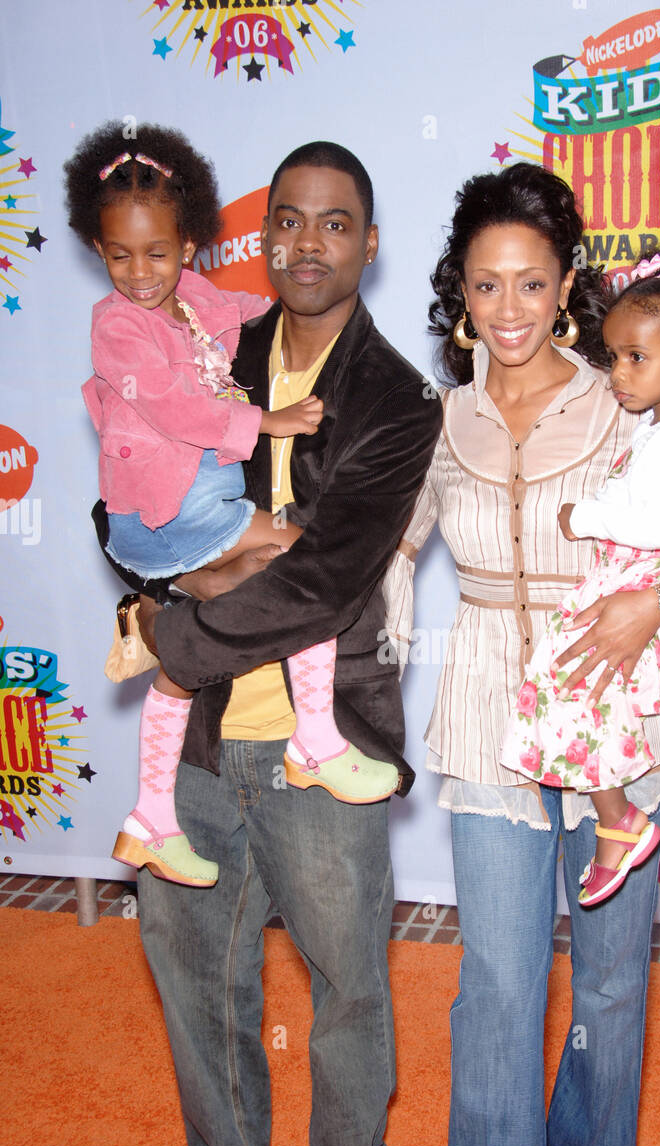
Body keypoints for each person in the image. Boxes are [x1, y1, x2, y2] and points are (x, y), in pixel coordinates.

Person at [383, 163, 660, 1146]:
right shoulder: (440, 417)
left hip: (621, 721)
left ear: (565, 289)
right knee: (498, 996)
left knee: (605, 986)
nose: (506, 310)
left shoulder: (628, 396)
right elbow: (382, 549)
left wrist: (656, 599)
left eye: (529, 285)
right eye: (483, 286)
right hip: (494, 731)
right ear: (458, 294)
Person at [91, 141, 442, 1146]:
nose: (305, 242)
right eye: (287, 220)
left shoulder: (393, 397)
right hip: (195, 743)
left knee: (346, 974)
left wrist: (167, 636)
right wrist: (171, 580)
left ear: (368, 244)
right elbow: (119, 501)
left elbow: (324, 579)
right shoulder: (204, 342)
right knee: (193, 963)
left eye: (334, 223)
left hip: (319, 733)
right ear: (262, 236)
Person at [67, 123, 398, 893]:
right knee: (295, 559)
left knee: (199, 647)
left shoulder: (190, 297)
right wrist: (267, 421)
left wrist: (291, 313)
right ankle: (313, 738)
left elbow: (246, 313)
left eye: (157, 253)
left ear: (189, 247)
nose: (140, 273)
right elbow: (178, 410)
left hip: (190, 508)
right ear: (97, 250)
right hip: (167, 515)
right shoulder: (116, 326)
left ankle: (152, 811)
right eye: (120, 256)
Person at [500, 239, 660, 907]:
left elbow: (654, 522)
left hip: (639, 569)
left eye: (636, 358)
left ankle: (616, 820)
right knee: (647, 673)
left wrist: (580, 517)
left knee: (568, 680)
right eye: (614, 355)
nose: (618, 373)